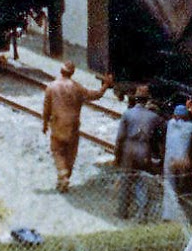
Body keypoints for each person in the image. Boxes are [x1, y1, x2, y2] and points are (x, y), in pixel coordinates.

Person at [41, 61, 112, 192]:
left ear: (61, 71)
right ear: (72, 73)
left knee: (57, 150)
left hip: (58, 125)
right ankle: (64, 178)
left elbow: (46, 109)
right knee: (71, 153)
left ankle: (62, 174)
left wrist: (45, 124)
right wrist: (106, 85)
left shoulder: (51, 87)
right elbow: (96, 95)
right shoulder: (77, 88)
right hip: (73, 126)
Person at [114, 87, 164, 220]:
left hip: (128, 151)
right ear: (147, 100)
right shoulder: (154, 117)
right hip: (144, 151)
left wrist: (117, 155)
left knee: (126, 181)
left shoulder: (127, 114)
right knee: (141, 183)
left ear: (135, 99)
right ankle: (142, 214)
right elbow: (160, 139)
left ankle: (122, 212)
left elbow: (120, 138)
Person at [161, 102, 192, 223]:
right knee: (182, 187)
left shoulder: (170, 124)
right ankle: (182, 215)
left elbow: (175, 118)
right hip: (182, 161)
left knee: (169, 185)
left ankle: (168, 215)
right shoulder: (190, 127)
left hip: (170, 160)